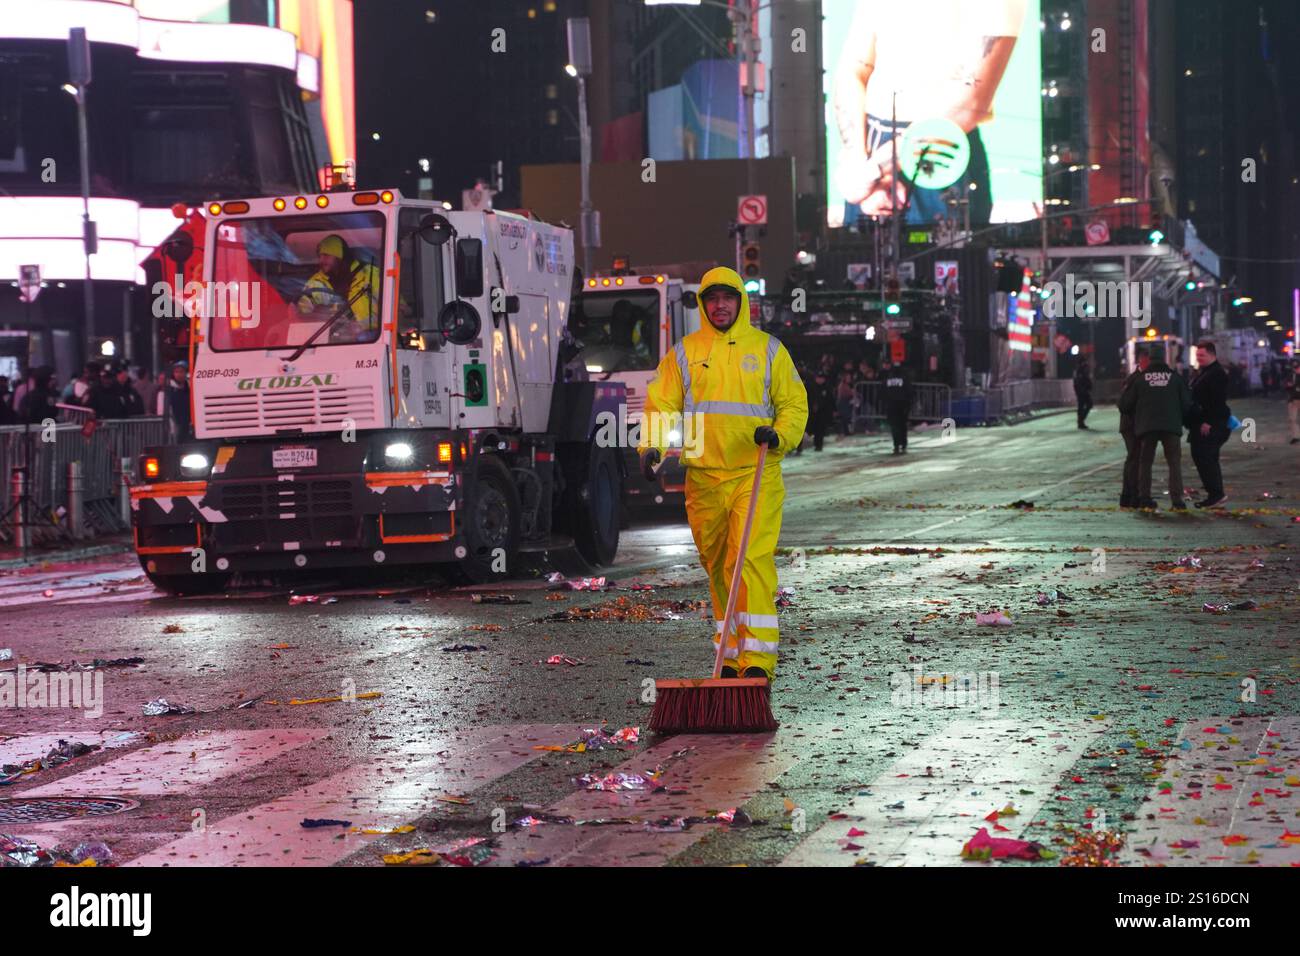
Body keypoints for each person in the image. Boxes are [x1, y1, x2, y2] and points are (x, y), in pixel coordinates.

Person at [638, 267, 808, 681]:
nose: (719, 305)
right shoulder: (684, 352)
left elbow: (794, 403)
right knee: (717, 566)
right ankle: (729, 656)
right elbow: (661, 404)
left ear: (740, 302)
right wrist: (651, 447)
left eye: (727, 297)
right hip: (703, 477)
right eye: (712, 298)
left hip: (755, 473)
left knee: (748, 561)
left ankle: (757, 661)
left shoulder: (768, 349)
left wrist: (780, 433)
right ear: (703, 304)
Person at [831, 0, 1024, 227]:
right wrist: (858, 162)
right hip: (870, 152)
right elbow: (852, 72)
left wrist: (872, 172)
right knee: (857, 258)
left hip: (941, 148)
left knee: (945, 258)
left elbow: (971, 102)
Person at [1120, 349, 1192, 511]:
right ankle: (1177, 501)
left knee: (1145, 463)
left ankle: (1144, 497)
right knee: (1174, 463)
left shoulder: (1140, 380)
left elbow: (1124, 405)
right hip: (1171, 427)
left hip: (1147, 428)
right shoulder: (1175, 378)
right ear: (1165, 359)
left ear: (1149, 360)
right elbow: (1187, 404)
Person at [296, 234, 381, 343]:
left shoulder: (369, 274)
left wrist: (362, 327)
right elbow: (302, 312)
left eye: (326, 255)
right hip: (332, 342)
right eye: (320, 256)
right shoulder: (317, 281)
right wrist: (317, 314)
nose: (322, 260)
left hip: (372, 339)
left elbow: (396, 308)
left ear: (340, 256)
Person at [1187, 340, 1231, 508]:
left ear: (1212, 355)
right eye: (1197, 355)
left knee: (1205, 457)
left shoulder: (1216, 374)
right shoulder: (1206, 372)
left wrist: (1208, 422)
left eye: (1202, 355)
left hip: (1211, 424)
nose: (1198, 358)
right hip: (1204, 422)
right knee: (1207, 458)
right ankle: (1215, 493)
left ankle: (1216, 494)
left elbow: (1217, 401)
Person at [1116, 348, 1150, 508]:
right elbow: (1123, 404)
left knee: (1134, 459)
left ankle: (1130, 495)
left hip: (1137, 424)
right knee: (1134, 459)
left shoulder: (1140, 377)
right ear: (1141, 360)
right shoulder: (1135, 379)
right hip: (1131, 426)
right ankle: (1131, 495)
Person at [880, 357, 913, 454]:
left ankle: (896, 444)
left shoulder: (887, 380)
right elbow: (910, 391)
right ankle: (903, 443)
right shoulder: (904, 379)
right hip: (902, 406)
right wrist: (909, 403)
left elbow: (882, 392)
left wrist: (884, 403)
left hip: (891, 405)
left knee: (894, 426)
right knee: (902, 425)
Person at [807, 369, 835, 452]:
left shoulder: (827, 388)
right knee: (814, 429)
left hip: (823, 412)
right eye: (819, 378)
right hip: (813, 412)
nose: (820, 380)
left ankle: (819, 445)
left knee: (821, 429)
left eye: (822, 378)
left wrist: (833, 410)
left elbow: (830, 400)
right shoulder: (811, 387)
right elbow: (809, 398)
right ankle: (816, 444)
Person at [165, 360, 192, 442]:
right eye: (176, 372)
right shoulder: (170, 389)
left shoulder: (190, 388)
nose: (179, 374)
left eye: (181, 371)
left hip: (189, 424)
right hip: (177, 424)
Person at [1073, 359, 1093, 429]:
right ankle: (1080, 421)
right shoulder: (1079, 371)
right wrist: (1082, 390)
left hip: (1084, 391)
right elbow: (1078, 382)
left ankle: (1081, 420)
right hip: (1081, 392)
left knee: (1088, 405)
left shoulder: (1083, 370)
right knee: (1082, 406)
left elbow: (1087, 380)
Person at [1287, 360, 1300, 445]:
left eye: (1297, 367)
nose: (1296, 369)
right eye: (1294, 367)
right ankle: (1296, 436)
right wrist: (1288, 385)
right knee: (1292, 419)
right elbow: (1287, 385)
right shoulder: (1291, 375)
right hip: (1293, 399)